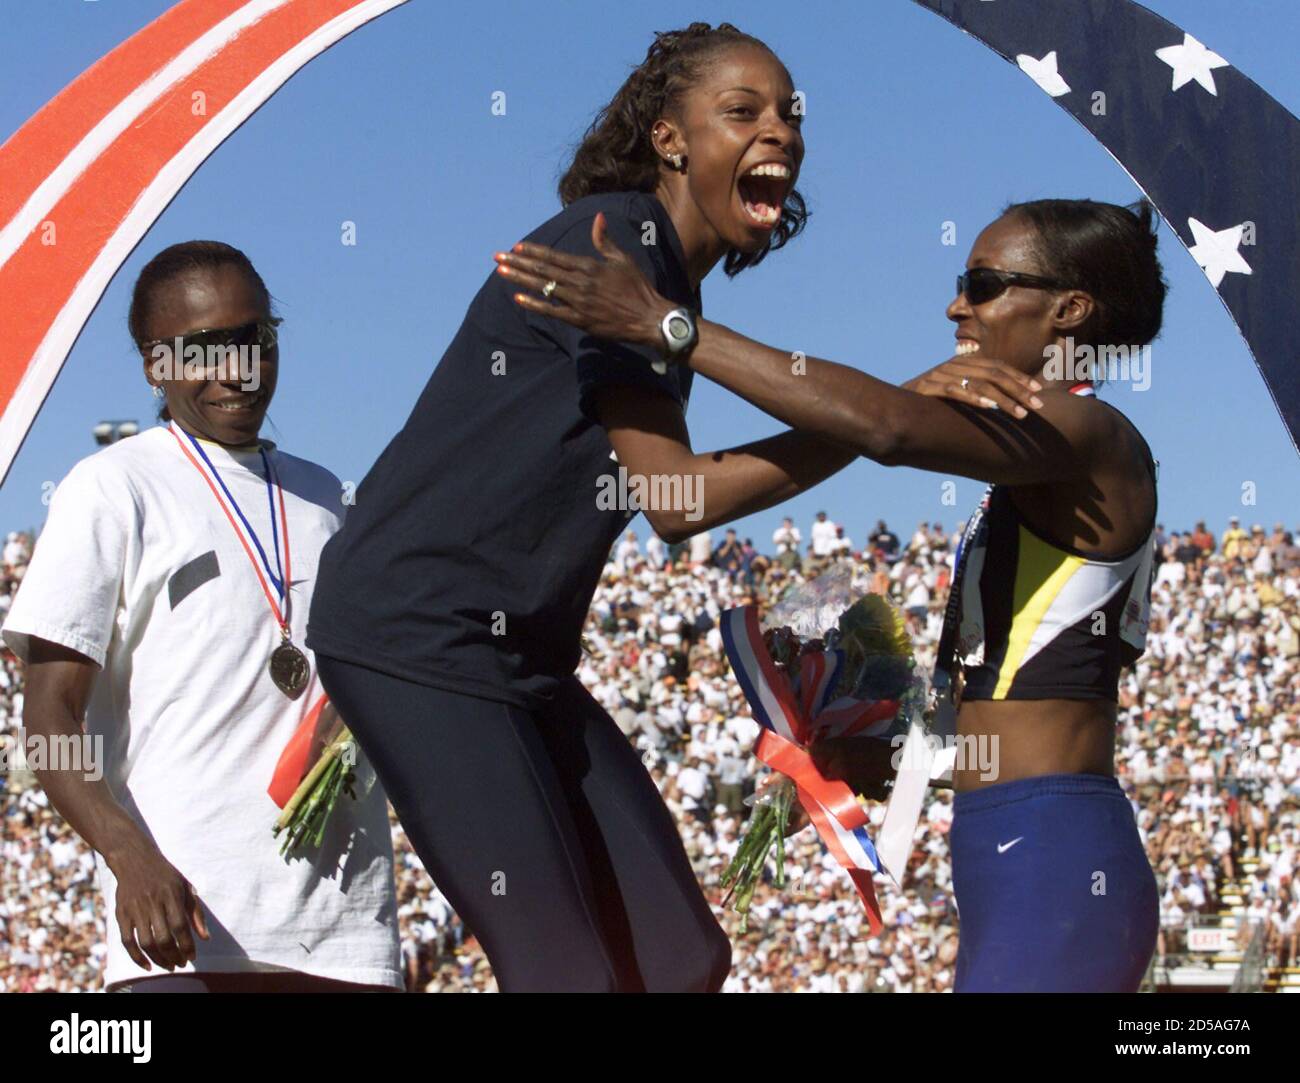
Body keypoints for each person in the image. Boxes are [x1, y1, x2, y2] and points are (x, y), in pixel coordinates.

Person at [311, 23, 1034, 993]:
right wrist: (874, 423)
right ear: (669, 140)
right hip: (412, 633)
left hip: (520, 655)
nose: (778, 130)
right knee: (563, 973)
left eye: (790, 115)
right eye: (742, 111)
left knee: (679, 957)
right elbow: (678, 500)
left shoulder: (659, 279)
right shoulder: (621, 241)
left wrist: (874, 419)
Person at [501, 193, 1168, 992]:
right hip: (1023, 844)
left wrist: (670, 327)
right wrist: (867, 756)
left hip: (1054, 853)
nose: (956, 302)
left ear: (1070, 310)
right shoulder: (1045, 454)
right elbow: (1012, 724)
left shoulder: (1095, 436)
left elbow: (885, 429)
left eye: (984, 282)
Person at [2, 242, 401, 992]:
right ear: (156, 365)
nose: (238, 370)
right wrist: (127, 853)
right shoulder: (112, 488)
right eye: (205, 350)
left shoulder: (327, 499)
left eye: (254, 339)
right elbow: (48, 717)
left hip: (346, 938)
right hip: (183, 932)